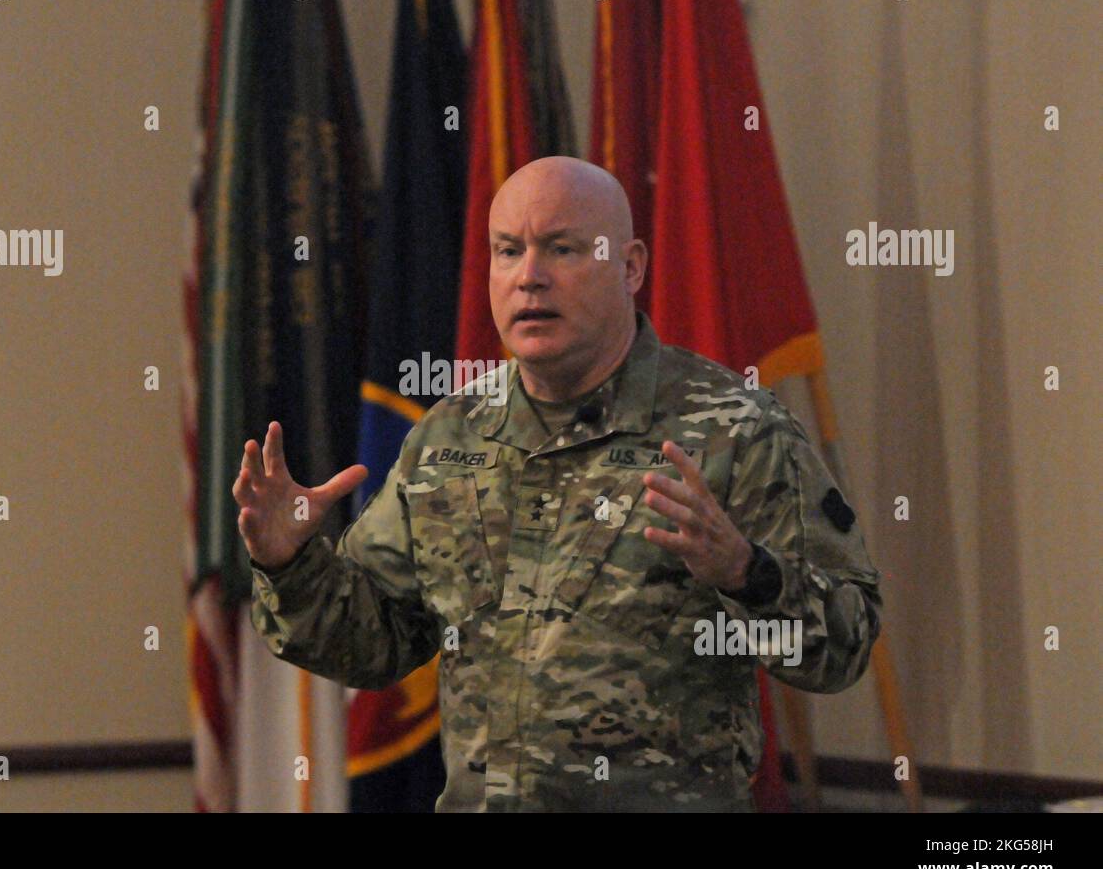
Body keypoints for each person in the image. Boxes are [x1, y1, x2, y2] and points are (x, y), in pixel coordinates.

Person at [233, 156, 882, 812]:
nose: (529, 278)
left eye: (561, 249)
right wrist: (287, 564)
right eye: (508, 251)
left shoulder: (735, 432)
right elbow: (375, 644)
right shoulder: (450, 438)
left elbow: (847, 641)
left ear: (630, 266)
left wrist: (748, 573)